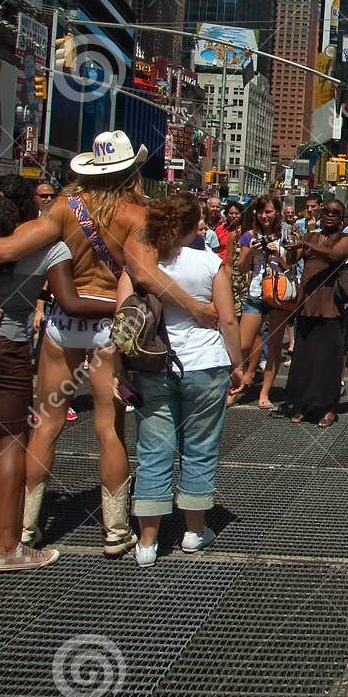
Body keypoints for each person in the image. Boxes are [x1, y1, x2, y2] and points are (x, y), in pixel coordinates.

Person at [0, 131, 209, 555]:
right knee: (109, 428)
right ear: (132, 172)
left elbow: (9, 249)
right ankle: (114, 530)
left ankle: (27, 528)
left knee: (47, 422)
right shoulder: (137, 214)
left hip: (63, 321)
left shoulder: (63, 209)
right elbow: (144, 275)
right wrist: (194, 308)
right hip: (112, 322)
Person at [0, 184, 109, 571]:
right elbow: (69, 302)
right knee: (11, 440)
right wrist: (126, 305)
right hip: (7, 348)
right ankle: (8, 547)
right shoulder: (47, 249)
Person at [121, 195, 246, 567]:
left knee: (153, 449)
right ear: (195, 227)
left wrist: (119, 367)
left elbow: (123, 318)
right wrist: (237, 364)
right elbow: (226, 320)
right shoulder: (211, 263)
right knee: (200, 446)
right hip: (206, 365)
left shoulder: (140, 262)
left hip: (153, 364)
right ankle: (194, 531)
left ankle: (147, 541)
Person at [284, 199, 348, 426]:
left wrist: (305, 246)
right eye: (326, 211)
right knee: (305, 357)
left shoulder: (347, 239)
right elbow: (292, 260)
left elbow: (334, 256)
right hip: (307, 304)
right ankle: (303, 403)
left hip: (331, 306)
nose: (329, 215)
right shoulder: (310, 236)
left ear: (343, 219)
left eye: (335, 213)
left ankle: (328, 406)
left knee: (329, 359)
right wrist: (290, 249)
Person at [234, 195, 288, 408]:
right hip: (256, 292)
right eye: (260, 212)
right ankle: (239, 383)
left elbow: (293, 266)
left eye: (269, 211)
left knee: (274, 347)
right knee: (242, 345)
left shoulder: (288, 234)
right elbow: (241, 267)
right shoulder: (249, 236)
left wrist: (281, 256)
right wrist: (251, 253)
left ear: (277, 212)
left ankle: (264, 393)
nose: (264, 216)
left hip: (279, 294)